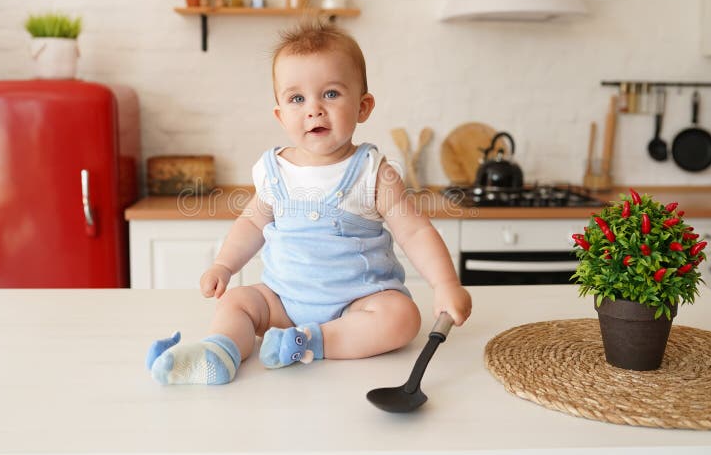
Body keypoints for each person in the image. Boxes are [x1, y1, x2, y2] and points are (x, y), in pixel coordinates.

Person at [146, 20, 472, 385]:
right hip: (282, 303)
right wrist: (224, 264)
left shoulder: (373, 172)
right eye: (297, 99)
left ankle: (308, 343)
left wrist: (445, 284)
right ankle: (220, 352)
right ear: (281, 115)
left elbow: (414, 232)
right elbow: (251, 224)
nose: (314, 109)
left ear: (363, 107)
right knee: (237, 302)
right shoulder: (274, 170)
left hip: (357, 305)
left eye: (331, 94)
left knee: (402, 317)